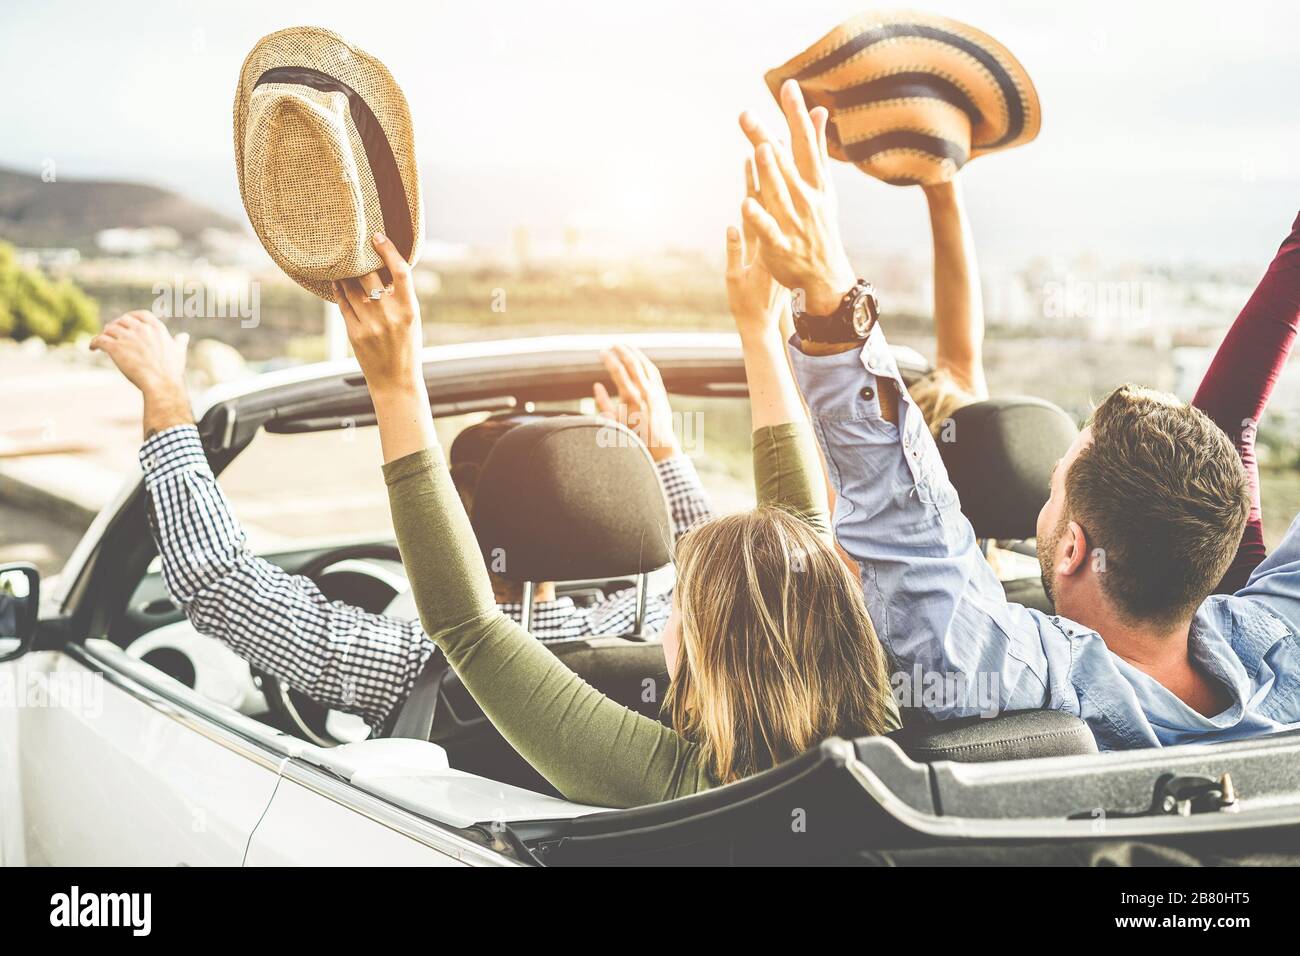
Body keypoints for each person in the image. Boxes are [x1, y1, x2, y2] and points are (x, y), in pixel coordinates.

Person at [740, 79, 1300, 750]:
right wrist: (829, 295)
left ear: (1072, 549)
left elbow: (910, 537)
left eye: (1057, 479)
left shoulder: (1030, 684)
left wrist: (829, 295)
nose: (1048, 486)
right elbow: (907, 532)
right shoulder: (1280, 655)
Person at [330, 225, 899, 808]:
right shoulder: (894, 738)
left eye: (677, 611)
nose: (665, 631)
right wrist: (758, 331)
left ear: (704, 656)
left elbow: (467, 626)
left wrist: (396, 384)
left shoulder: (678, 785)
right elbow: (805, 536)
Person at [90, 315, 711, 731]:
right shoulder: (675, 639)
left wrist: (167, 398)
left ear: (454, 529)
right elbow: (729, 566)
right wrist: (661, 454)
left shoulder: (426, 670)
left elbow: (220, 581)